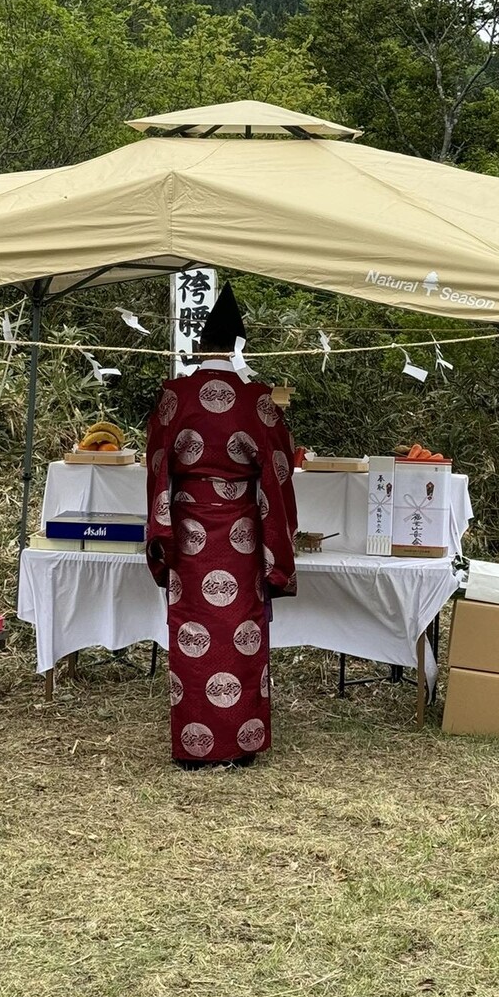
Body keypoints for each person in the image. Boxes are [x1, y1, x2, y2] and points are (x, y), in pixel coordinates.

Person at [144, 284, 298, 769]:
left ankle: (194, 748)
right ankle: (242, 743)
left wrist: (163, 531)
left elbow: (155, 466)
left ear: (198, 343)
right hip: (242, 535)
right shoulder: (259, 400)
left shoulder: (173, 396)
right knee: (241, 630)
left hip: (188, 529)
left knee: (192, 629)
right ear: (237, 346)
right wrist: (278, 547)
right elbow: (278, 474)